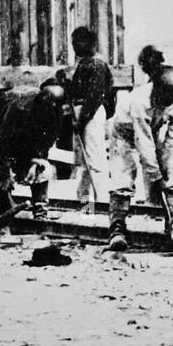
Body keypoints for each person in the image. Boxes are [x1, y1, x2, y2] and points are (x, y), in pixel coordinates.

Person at [109, 58, 173, 251]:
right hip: (125, 134)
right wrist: (156, 176)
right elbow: (143, 143)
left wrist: (167, 173)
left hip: (153, 130)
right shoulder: (139, 101)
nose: (167, 100)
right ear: (155, 89)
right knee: (124, 177)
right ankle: (117, 230)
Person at [0, 79, 68, 237]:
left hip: (26, 140)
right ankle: (4, 219)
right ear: (42, 101)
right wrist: (4, 174)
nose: (53, 108)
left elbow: (46, 143)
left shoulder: (56, 113)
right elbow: (2, 146)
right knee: (2, 178)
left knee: (41, 169)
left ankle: (40, 211)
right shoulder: (20, 108)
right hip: (4, 132)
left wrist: (36, 160)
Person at [61, 26, 113, 211]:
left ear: (87, 43)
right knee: (83, 163)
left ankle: (102, 204)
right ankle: (86, 206)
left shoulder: (96, 65)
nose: (74, 46)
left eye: (76, 43)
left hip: (89, 114)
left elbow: (93, 98)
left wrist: (80, 120)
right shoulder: (86, 63)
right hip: (82, 114)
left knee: (95, 160)